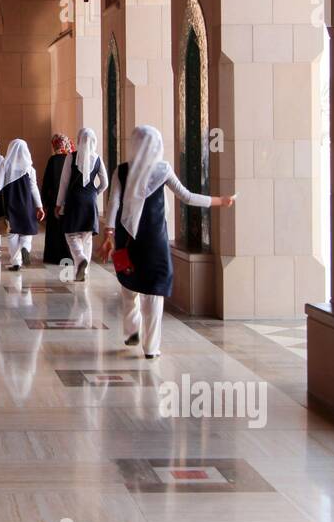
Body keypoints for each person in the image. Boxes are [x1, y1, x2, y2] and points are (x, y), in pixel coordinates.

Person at [101, 125, 234, 357]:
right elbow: (187, 196)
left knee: (129, 286)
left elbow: (113, 203)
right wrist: (219, 201)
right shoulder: (162, 170)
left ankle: (132, 331)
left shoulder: (122, 171)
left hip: (127, 238)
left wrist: (109, 235)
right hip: (153, 241)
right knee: (153, 291)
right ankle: (151, 348)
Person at [56, 126, 108, 283]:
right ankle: (84, 271)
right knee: (87, 236)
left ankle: (80, 259)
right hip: (90, 200)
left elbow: (64, 182)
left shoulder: (72, 157)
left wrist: (59, 204)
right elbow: (105, 183)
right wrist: (94, 194)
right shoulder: (97, 159)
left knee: (71, 234)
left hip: (74, 200)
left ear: (79, 140)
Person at [0, 138, 44, 271]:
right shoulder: (29, 169)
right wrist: (39, 206)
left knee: (12, 234)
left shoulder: (5, 165)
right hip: (27, 205)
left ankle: (16, 262)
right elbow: (34, 188)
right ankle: (25, 247)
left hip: (10, 204)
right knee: (26, 231)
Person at [40, 133, 73, 265]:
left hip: (54, 201)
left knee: (54, 231)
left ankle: (53, 257)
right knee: (67, 230)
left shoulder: (53, 160)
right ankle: (68, 257)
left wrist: (44, 202)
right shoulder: (71, 159)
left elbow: (47, 182)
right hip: (69, 200)